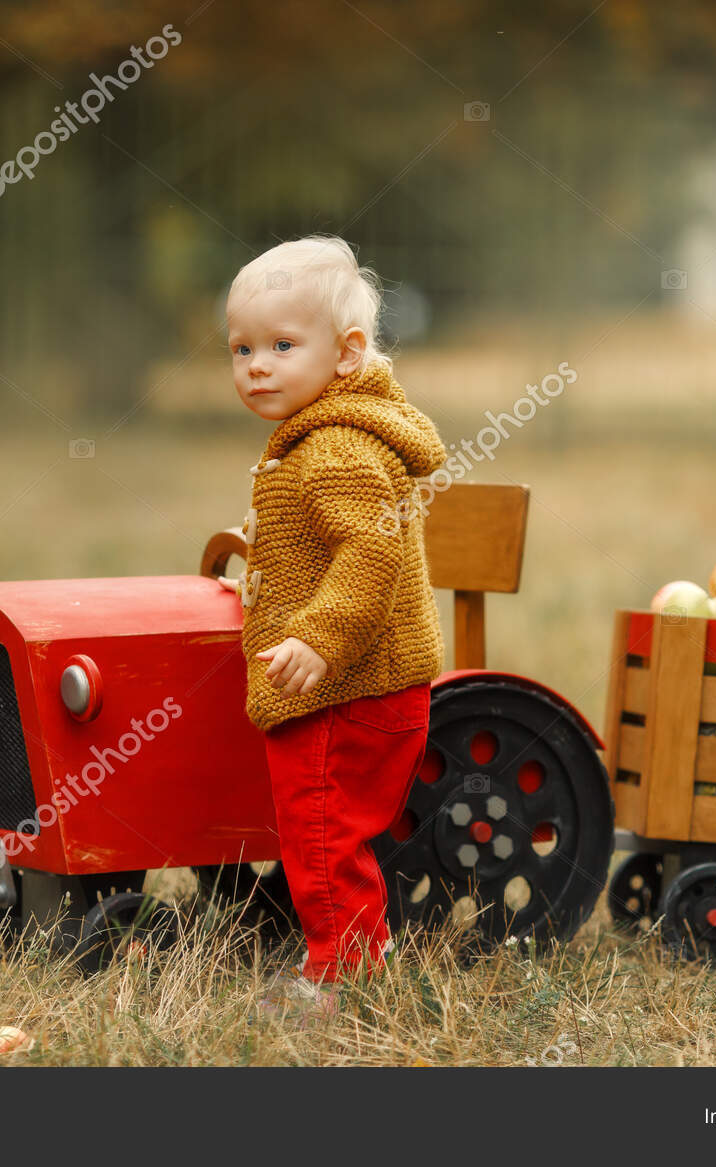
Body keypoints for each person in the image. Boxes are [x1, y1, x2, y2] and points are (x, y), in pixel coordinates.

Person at [222, 234, 446, 1020]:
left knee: (319, 830)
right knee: (332, 828)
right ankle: (358, 945)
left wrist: (318, 638)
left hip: (344, 685)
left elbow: (370, 551)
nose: (256, 364)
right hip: (364, 678)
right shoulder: (324, 436)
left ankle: (340, 973)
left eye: (283, 344)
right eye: (242, 347)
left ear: (347, 354)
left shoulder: (338, 449)